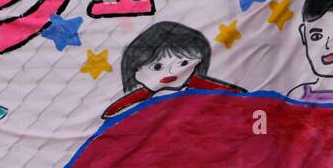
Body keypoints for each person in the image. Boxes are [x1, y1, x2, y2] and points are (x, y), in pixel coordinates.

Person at [102, 20, 244, 118]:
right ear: (135, 70)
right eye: (157, 66)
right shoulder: (130, 104)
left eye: (184, 64)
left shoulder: (210, 90)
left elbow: (242, 99)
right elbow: (112, 115)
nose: (171, 73)